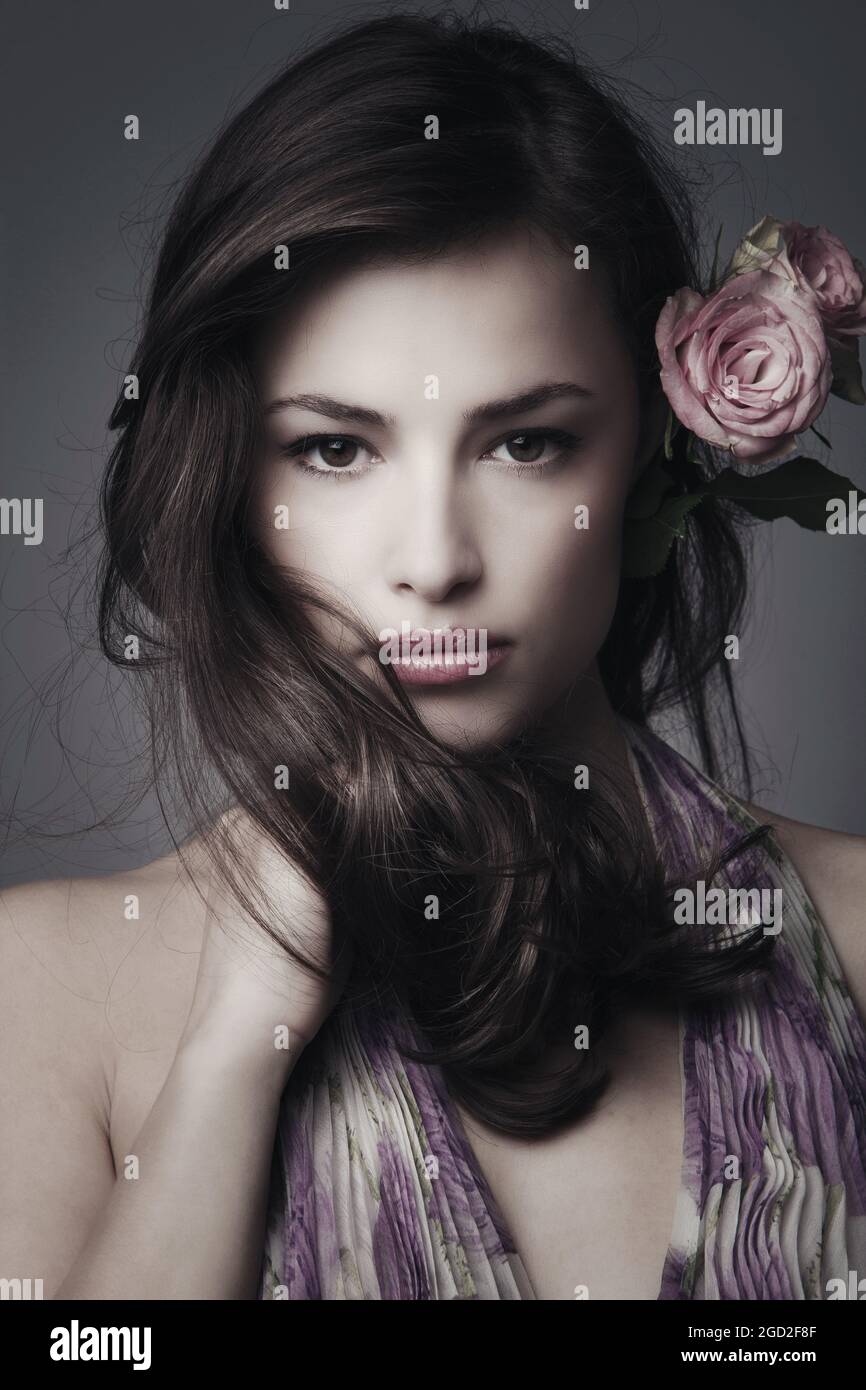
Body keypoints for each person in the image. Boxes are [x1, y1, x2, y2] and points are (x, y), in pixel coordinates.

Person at [2, 12, 865, 1302]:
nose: (436, 560)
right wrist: (237, 1043)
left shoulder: (855, 933)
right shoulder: (47, 986)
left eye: (525, 443)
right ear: (233, 480)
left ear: (655, 450)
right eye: (335, 449)